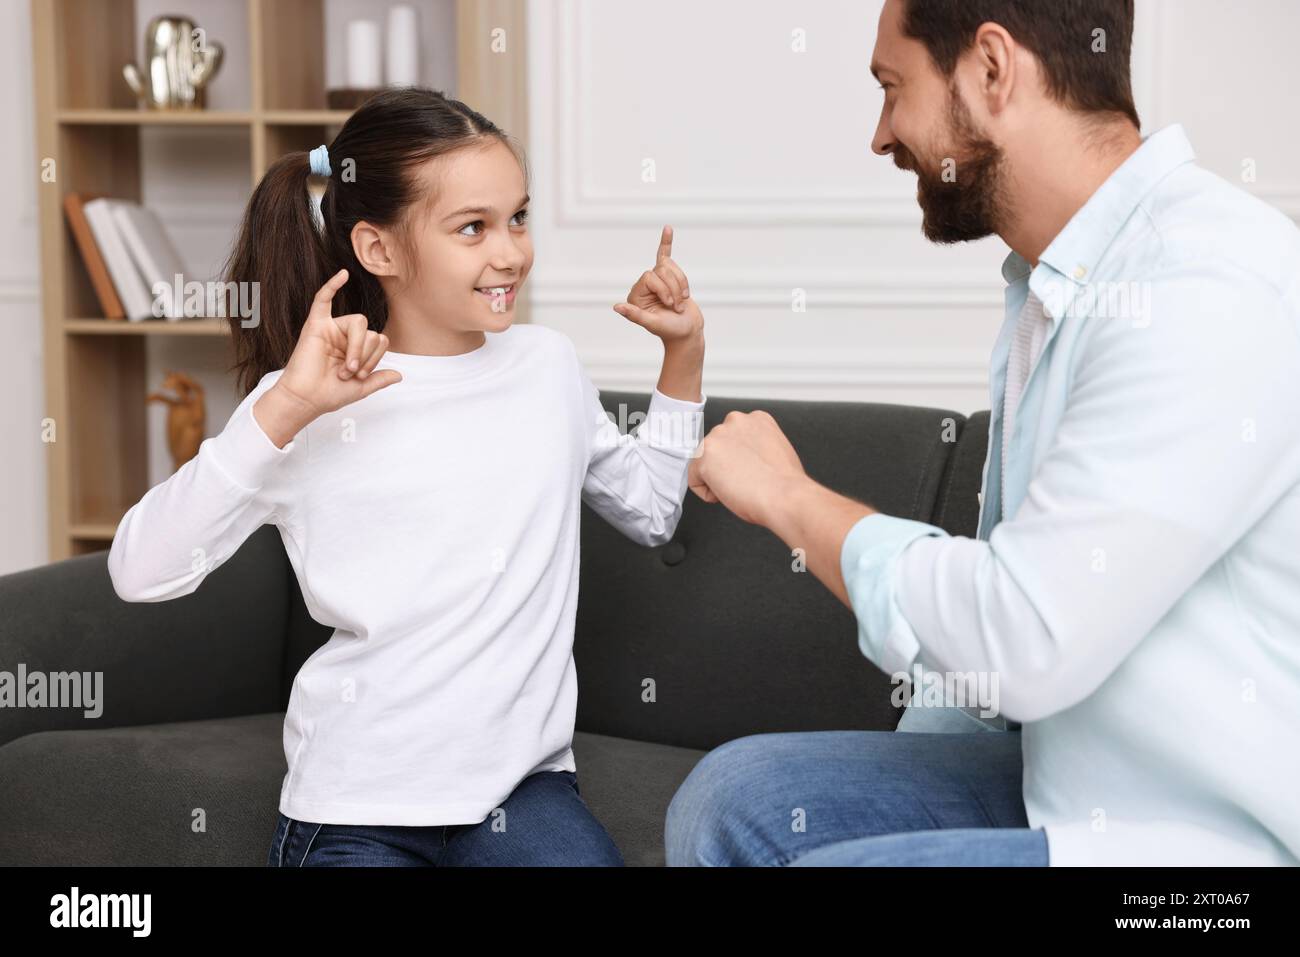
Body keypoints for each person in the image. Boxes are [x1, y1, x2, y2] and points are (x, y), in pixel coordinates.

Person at [668, 0, 1300, 866]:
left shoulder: (1201, 286)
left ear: (992, 69)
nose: (882, 134)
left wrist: (787, 495)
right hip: (1065, 784)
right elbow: (995, 679)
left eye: (894, 88)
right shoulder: (1048, 284)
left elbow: (1024, 638)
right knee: (738, 801)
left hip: (1205, 856)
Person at [107, 87, 709, 866]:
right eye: (473, 228)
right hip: (355, 805)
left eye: (518, 217)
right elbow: (139, 570)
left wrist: (683, 356)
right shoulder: (307, 398)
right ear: (379, 249)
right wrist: (284, 408)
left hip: (520, 794)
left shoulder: (547, 368)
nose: (510, 253)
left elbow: (654, 510)